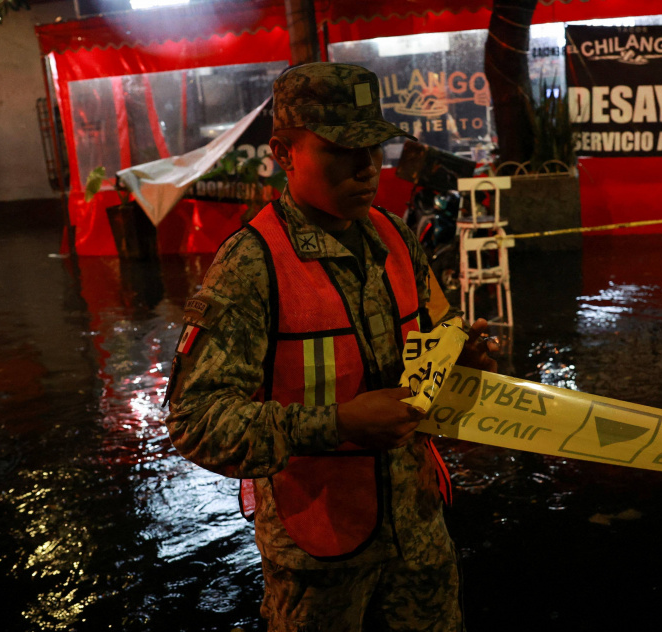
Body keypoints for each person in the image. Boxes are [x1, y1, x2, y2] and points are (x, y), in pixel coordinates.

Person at [164, 62, 499, 631]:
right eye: (342, 149)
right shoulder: (251, 266)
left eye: (374, 147)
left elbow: (435, 342)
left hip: (418, 541)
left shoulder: (396, 237)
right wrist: (337, 423)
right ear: (283, 152)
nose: (367, 167)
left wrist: (461, 358)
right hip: (318, 563)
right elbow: (194, 421)